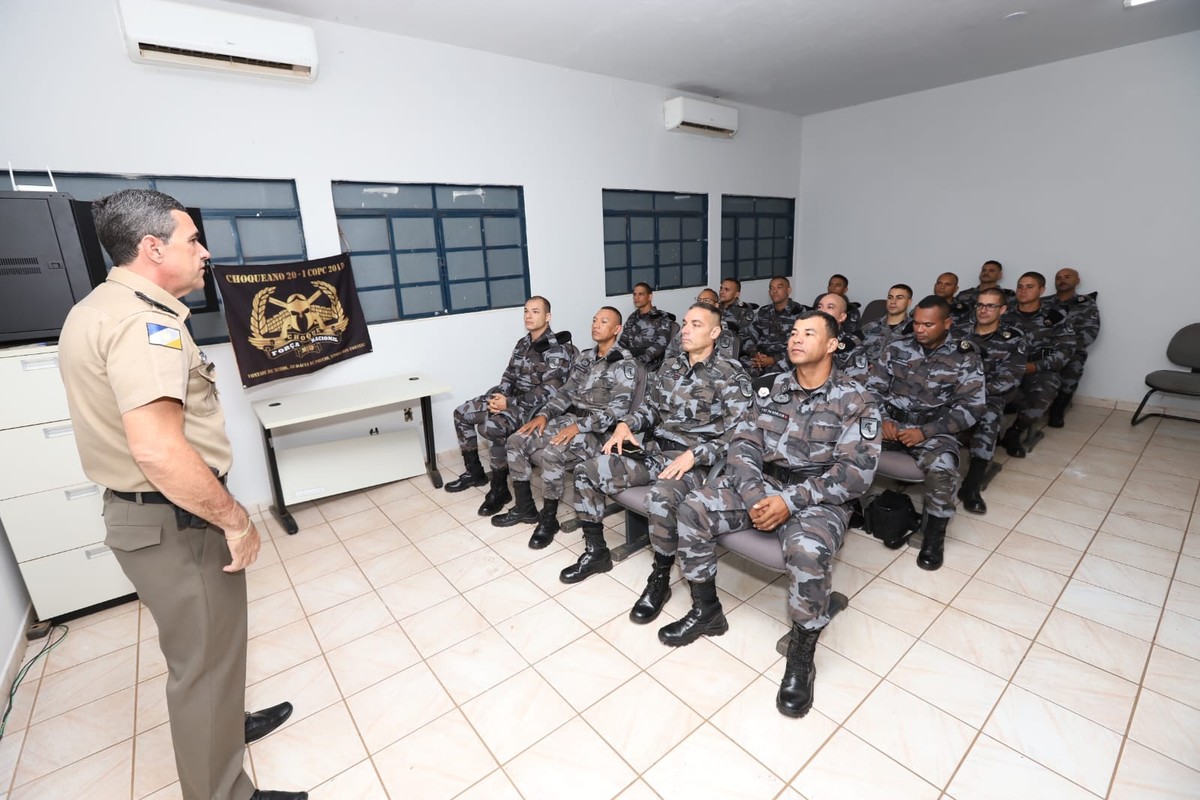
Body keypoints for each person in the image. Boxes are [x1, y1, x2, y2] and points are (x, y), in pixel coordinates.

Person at [57, 189, 305, 800]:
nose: (205, 251)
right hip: (178, 523)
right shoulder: (145, 324)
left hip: (146, 518)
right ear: (152, 247)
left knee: (206, 653)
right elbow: (160, 451)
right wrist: (237, 519)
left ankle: (220, 729)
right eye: (192, 239)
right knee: (204, 665)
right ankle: (223, 790)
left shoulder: (96, 307)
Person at [669, 311, 880, 717]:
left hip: (818, 497)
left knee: (807, 551)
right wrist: (753, 495)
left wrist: (790, 501)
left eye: (809, 333)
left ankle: (802, 652)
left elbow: (854, 476)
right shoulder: (771, 388)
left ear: (832, 345)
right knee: (694, 507)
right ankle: (706, 610)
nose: (796, 339)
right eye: (794, 333)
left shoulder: (857, 400)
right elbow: (742, 444)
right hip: (760, 486)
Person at [564, 303, 753, 596]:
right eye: (686, 323)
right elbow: (651, 408)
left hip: (695, 462)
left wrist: (696, 454)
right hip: (654, 452)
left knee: (661, 499)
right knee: (586, 472)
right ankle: (596, 551)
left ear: (715, 332)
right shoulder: (672, 365)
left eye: (696, 325)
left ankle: (660, 577)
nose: (686, 330)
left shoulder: (730, 375)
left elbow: (741, 434)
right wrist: (627, 424)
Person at [491, 307, 639, 549]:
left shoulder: (624, 365)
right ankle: (525, 507)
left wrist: (579, 426)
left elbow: (617, 413)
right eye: (594, 320)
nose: (596, 325)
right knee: (516, 439)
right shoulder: (585, 358)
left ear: (617, 329)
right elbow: (566, 392)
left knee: (552, 452)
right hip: (570, 420)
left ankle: (548, 519)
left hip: (599, 431)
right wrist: (543, 415)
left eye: (604, 322)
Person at [866, 296, 985, 571]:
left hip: (934, 429)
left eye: (928, 324)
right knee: (842, 445)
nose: (920, 329)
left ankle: (933, 537)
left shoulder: (964, 357)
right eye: (917, 323)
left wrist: (925, 431)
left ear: (947, 323)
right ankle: (852, 513)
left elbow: (972, 408)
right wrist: (883, 419)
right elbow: (872, 390)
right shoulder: (896, 347)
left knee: (943, 468)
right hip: (889, 424)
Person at [443, 297, 576, 515]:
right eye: (526, 311)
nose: (529, 316)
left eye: (535, 312)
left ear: (548, 317)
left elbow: (550, 392)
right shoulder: (522, 343)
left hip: (533, 409)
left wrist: (509, 403)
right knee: (461, 413)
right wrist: (499, 398)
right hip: (511, 400)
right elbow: (508, 376)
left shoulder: (557, 350)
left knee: (493, 427)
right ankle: (474, 473)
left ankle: (499, 489)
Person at [954, 288, 1027, 514]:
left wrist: (972, 393)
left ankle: (972, 484)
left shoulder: (1012, 339)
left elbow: (1011, 377)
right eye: (980, 305)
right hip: (952, 392)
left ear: (1003, 309)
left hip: (989, 396)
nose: (983, 310)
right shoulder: (959, 332)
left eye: (990, 306)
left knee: (989, 416)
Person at [1000, 272, 1075, 457]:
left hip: (1038, 370)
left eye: (1029, 287)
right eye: (1020, 286)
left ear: (1042, 290)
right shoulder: (1003, 312)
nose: (1023, 291)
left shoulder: (1055, 317)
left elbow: (1066, 350)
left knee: (1043, 393)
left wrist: (1034, 367)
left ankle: (1015, 431)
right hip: (1003, 367)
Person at [1043, 267, 1100, 427]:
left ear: (1077, 281)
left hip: (1071, 350)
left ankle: (1059, 408)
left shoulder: (1086, 303)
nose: (1062, 280)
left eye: (1067, 277)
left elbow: (1091, 332)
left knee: (1074, 364)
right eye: (1058, 277)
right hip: (1043, 348)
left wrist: (1064, 349)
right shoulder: (1044, 302)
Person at [746, 276, 807, 375]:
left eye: (779, 287)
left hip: (785, 359)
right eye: (771, 288)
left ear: (788, 290)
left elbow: (803, 344)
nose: (774, 291)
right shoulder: (763, 312)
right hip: (761, 358)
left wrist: (773, 359)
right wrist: (755, 354)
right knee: (736, 369)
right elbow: (749, 336)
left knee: (775, 374)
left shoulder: (800, 313)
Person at [617, 282, 674, 372]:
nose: (636, 298)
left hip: (650, 365)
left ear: (650, 297)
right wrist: (617, 354)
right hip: (629, 361)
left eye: (641, 294)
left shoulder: (660, 317)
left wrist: (639, 360)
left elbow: (661, 344)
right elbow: (623, 339)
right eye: (634, 294)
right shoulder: (633, 316)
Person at [813, 292, 866, 376]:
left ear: (842, 317)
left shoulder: (851, 345)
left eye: (830, 307)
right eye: (819, 307)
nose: (822, 310)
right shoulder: (804, 339)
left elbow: (855, 382)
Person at [859, 283, 913, 364]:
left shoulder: (914, 329)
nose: (893, 302)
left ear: (909, 302)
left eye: (899, 298)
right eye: (890, 297)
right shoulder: (869, 326)